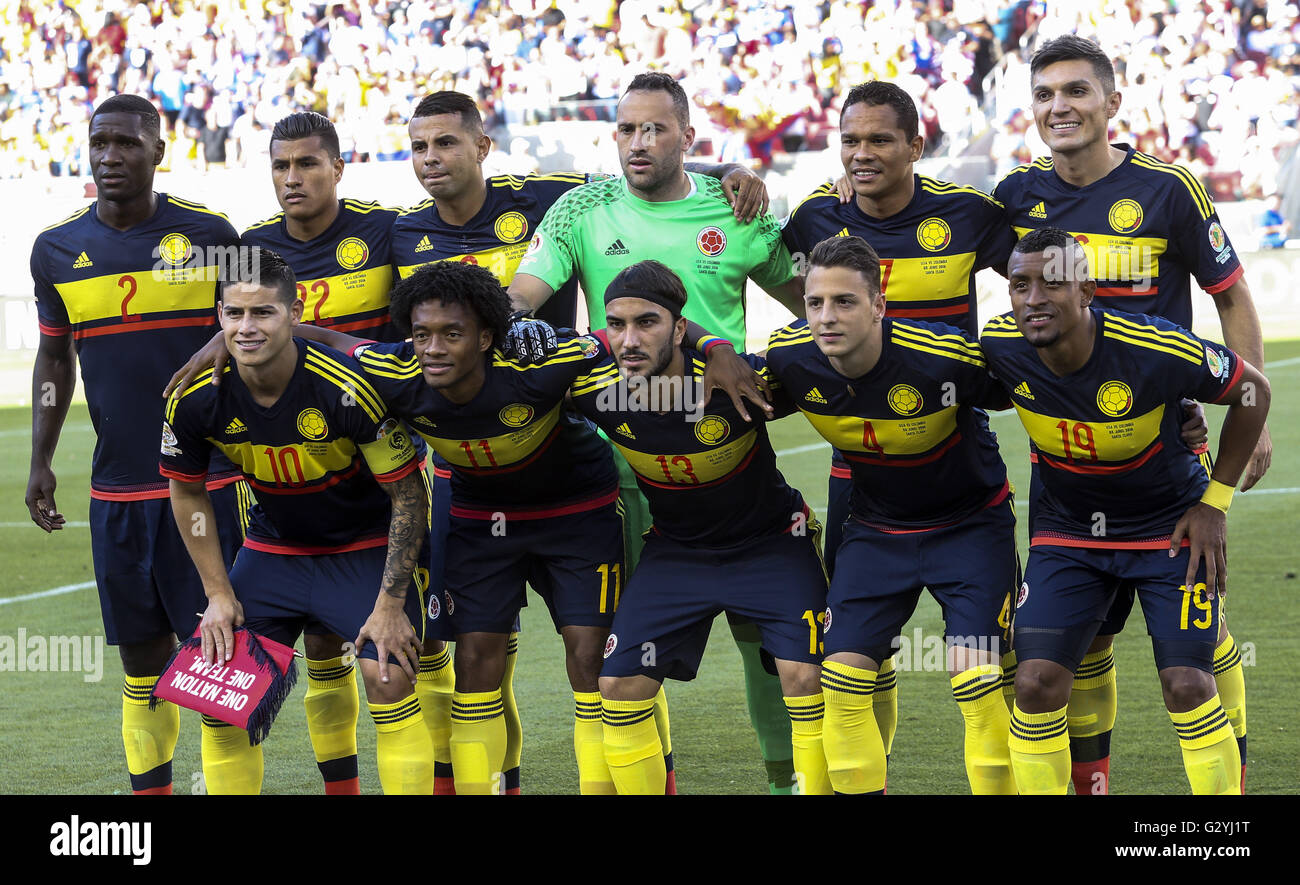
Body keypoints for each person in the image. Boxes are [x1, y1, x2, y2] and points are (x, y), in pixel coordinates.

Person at [387, 90, 767, 793]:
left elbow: (648, 167)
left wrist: (729, 167)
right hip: (532, 468)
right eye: (419, 146)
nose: (432, 158)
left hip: (672, 450)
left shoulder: (553, 195)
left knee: (696, 647)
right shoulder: (400, 231)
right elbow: (518, 293)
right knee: (494, 653)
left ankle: (750, 775)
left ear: (481, 146)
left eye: (447, 142)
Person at [509, 72, 807, 794]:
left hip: (726, 449)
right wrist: (515, 323)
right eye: (626, 129)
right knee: (626, 647)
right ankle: (655, 778)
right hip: (621, 462)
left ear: (687, 137)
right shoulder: (582, 207)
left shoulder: (734, 210)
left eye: (655, 129)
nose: (638, 143)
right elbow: (524, 295)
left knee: (770, 644)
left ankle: (788, 778)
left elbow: (812, 301)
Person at [994, 34, 1268, 793]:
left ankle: (1229, 777)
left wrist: (1257, 418)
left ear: (1112, 103)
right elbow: (929, 227)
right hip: (1072, 465)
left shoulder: (1167, 190)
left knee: (1197, 659)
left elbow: (1232, 295)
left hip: (1165, 436)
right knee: (1075, 653)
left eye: (1077, 91)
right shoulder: (1016, 198)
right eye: (1046, 94)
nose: (1060, 107)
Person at [294, 260, 630, 795]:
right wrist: (222, 342)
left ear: (487, 336)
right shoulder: (396, 370)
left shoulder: (538, 363)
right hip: (480, 520)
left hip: (575, 514)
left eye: (452, 333)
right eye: (422, 333)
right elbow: (325, 342)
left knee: (591, 660)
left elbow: (631, 335)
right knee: (475, 665)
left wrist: (716, 350)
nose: (433, 348)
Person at [27, 94, 247, 795]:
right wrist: (41, 458)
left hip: (205, 484)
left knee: (219, 656)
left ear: (159, 150)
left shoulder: (211, 234)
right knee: (142, 663)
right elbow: (55, 359)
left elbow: (258, 333)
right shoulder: (56, 249)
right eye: (99, 142)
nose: (109, 156)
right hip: (117, 490)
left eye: (125, 143)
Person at [792, 81, 1017, 761]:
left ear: (917, 145)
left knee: (981, 672)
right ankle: (871, 766)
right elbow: (793, 300)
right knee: (857, 659)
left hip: (956, 457)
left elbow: (1043, 285)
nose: (862, 154)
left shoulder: (970, 215)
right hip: (859, 467)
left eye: (880, 139)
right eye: (851, 141)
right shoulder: (812, 221)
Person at [162, 249, 435, 795]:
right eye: (234, 314)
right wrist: (218, 594)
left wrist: (388, 607)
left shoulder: (346, 387)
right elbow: (187, 493)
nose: (247, 327)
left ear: (295, 310)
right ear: (218, 317)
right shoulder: (194, 398)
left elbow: (408, 496)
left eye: (263, 313)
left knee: (387, 674)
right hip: (276, 551)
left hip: (365, 546)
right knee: (217, 693)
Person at [763, 235, 1016, 794]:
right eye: (815, 303)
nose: (826, 318)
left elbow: (1044, 383)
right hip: (877, 533)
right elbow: (726, 391)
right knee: (843, 679)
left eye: (845, 302)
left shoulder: (944, 357)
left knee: (975, 678)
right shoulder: (789, 359)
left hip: (970, 527)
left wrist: (1181, 416)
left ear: (879, 305)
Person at [568, 260, 830, 795]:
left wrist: (721, 353)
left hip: (771, 545)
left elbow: (823, 357)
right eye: (616, 325)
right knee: (617, 684)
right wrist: (715, 343)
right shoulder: (591, 387)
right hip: (678, 554)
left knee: (805, 679)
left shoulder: (736, 384)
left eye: (648, 323)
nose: (630, 339)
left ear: (680, 329)